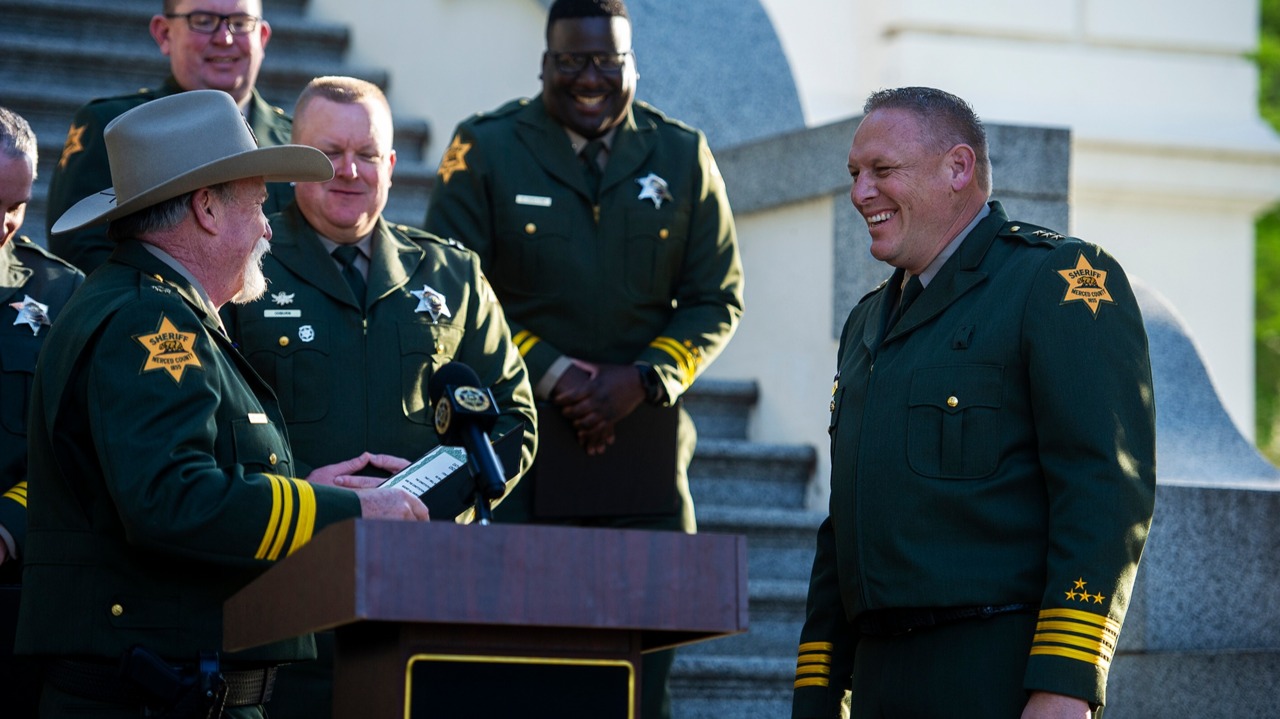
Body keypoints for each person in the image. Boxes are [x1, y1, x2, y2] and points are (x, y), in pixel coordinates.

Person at [16, 89, 431, 719]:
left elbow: (183, 482)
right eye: (260, 203)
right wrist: (348, 510)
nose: (270, 226)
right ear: (208, 207)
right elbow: (172, 499)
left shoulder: (149, 305)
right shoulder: (150, 319)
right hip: (157, 697)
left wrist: (303, 491)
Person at [790, 87, 1156, 719]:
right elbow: (847, 516)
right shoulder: (865, 321)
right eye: (855, 174)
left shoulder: (1057, 280)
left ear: (957, 168)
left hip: (995, 675)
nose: (859, 193)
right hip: (878, 680)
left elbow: (1102, 490)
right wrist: (819, 686)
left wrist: (1066, 682)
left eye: (882, 171)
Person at [423, 1, 744, 715]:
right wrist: (553, 371)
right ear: (545, 62)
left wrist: (644, 376)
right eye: (571, 61)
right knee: (517, 659)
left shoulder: (681, 153)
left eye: (607, 61)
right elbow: (448, 291)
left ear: (632, 64)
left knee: (640, 662)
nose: (590, 78)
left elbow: (716, 296)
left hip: (642, 449)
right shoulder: (486, 148)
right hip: (516, 445)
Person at [223, 76, 538, 719]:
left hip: (421, 590)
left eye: (368, 154)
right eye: (328, 152)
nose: (349, 171)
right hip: (286, 587)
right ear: (290, 156)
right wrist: (311, 496)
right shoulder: (238, 266)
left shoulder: (452, 274)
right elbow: (210, 425)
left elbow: (513, 419)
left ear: (392, 165)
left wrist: (421, 499)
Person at [46, 0, 292, 274]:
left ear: (262, 36)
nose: (225, 38)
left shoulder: (296, 140)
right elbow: (79, 252)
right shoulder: (114, 128)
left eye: (241, 23)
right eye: (203, 21)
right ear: (164, 34)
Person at [0, 107, 84, 719]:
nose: (3, 223)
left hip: (13, 588)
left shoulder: (62, 295)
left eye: (18, 205)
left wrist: (8, 525)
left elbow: (74, 446)